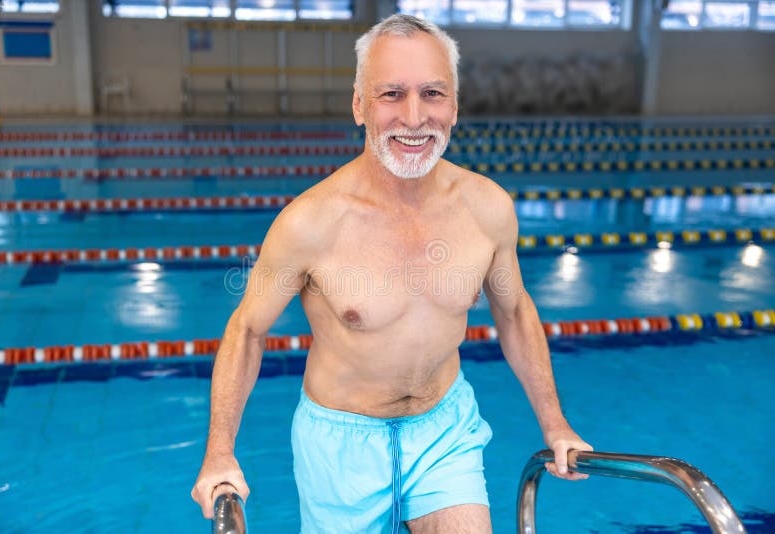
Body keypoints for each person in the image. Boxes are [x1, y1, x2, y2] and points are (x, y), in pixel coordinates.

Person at [191, 14, 591, 534]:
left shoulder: (487, 208)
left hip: (446, 429)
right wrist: (219, 451)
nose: (414, 117)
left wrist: (555, 424)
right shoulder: (310, 223)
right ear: (359, 105)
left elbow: (514, 312)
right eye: (391, 95)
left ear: (454, 105)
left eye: (432, 93)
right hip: (340, 446)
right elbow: (247, 330)